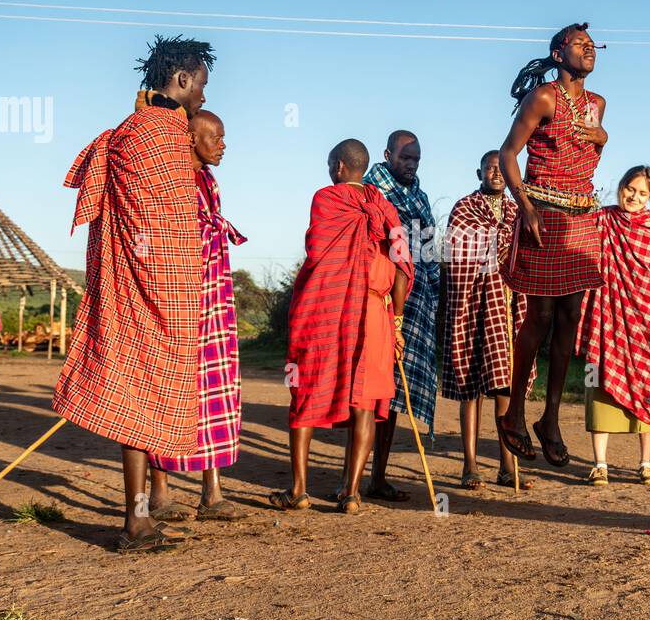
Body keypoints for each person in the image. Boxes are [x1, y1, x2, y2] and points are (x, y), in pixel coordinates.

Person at [53, 35, 213, 552]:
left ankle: (139, 517)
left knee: (135, 403)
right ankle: (134, 521)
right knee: (141, 402)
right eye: (203, 84)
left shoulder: (130, 131)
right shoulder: (165, 136)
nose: (205, 97)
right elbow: (161, 224)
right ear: (183, 79)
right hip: (161, 292)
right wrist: (174, 281)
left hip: (134, 289)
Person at [271, 139, 413, 515]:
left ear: (337, 167)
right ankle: (351, 493)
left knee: (304, 391)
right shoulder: (387, 209)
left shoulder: (326, 198)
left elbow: (318, 255)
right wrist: (396, 320)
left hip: (329, 310)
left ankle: (298, 490)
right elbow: (402, 266)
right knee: (365, 404)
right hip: (376, 314)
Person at [497, 22, 607, 469]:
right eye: (579, 45)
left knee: (570, 319)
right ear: (559, 54)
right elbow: (507, 153)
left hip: (582, 216)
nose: (589, 51)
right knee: (540, 315)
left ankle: (551, 419)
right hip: (544, 210)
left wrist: (603, 136)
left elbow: (589, 147)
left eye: (592, 45)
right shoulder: (542, 97)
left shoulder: (597, 104)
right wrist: (525, 206)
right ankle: (515, 414)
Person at [147, 109, 249, 523]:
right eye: (217, 137)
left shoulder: (209, 182)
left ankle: (212, 492)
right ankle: (159, 493)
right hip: (177, 301)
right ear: (190, 137)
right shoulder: (171, 182)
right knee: (168, 392)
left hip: (214, 303)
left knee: (217, 390)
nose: (223, 144)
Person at [575, 166, 650, 486]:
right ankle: (600, 464)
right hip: (607, 317)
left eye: (642, 193)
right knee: (600, 383)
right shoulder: (601, 220)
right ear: (620, 187)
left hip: (646, 325)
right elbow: (580, 250)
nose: (634, 197)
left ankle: (646, 463)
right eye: (629, 189)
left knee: (649, 386)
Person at [440, 150, 536, 490]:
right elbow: (455, 258)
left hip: (508, 308)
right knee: (471, 388)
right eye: (490, 168)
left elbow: (529, 254)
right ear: (479, 171)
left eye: (501, 169)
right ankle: (469, 466)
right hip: (472, 306)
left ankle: (507, 465)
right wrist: (492, 259)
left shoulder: (518, 210)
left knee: (505, 386)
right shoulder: (464, 208)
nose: (496, 173)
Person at [363, 130, 439, 501]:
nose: (411, 166)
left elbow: (427, 249)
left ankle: (377, 477)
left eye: (416, 160)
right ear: (387, 154)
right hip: (377, 299)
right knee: (367, 389)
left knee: (394, 394)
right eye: (405, 159)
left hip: (414, 301)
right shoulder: (369, 193)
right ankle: (352, 479)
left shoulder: (421, 198)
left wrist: (434, 288)